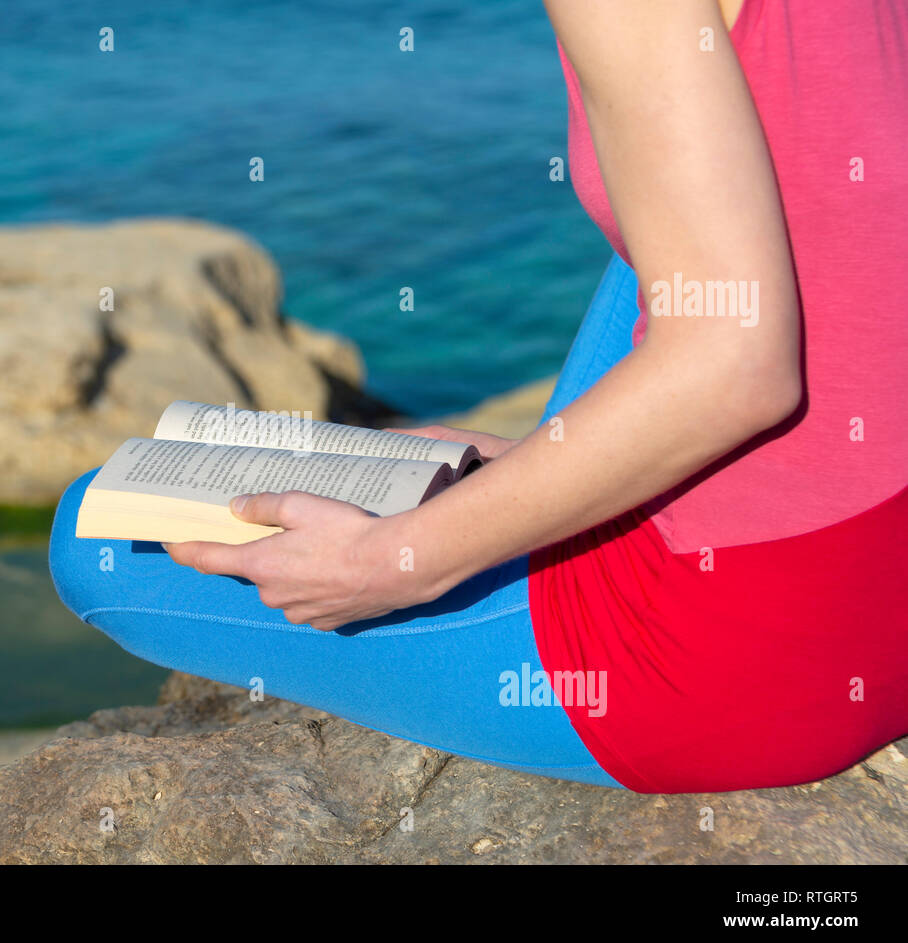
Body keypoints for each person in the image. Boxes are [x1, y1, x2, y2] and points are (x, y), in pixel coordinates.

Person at [51, 0, 908, 793]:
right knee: (671, 236)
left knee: (101, 539)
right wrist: (535, 464)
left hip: (757, 645)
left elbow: (736, 364)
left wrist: (390, 564)